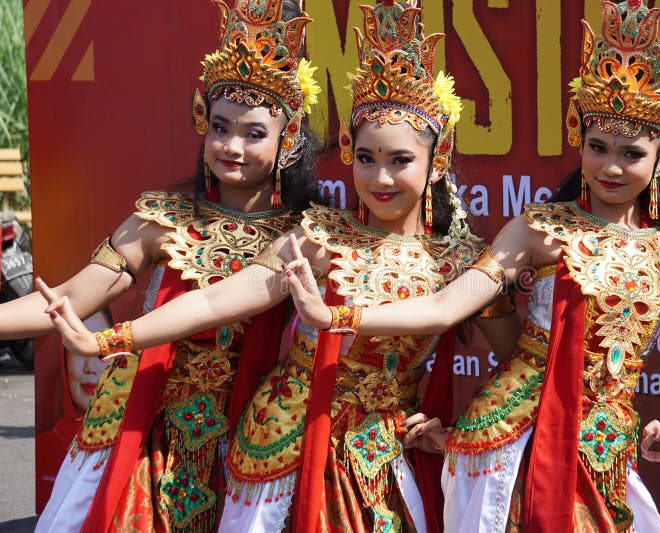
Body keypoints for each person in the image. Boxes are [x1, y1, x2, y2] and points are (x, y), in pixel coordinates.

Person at [282, 1, 660, 532]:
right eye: (597, 146)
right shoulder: (539, 230)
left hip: (603, 449)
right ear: (578, 141)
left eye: (631, 153)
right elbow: (447, 306)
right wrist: (340, 319)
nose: (610, 166)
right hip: (509, 446)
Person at [41, 2, 491, 531]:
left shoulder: (462, 260)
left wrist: (456, 432)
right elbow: (214, 299)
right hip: (281, 450)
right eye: (366, 159)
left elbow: (520, 360)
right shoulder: (320, 235)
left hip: (379, 464)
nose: (380, 179)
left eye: (400, 161)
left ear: (436, 162)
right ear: (347, 151)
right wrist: (113, 340)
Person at [20, 1, 322, 531]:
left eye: (253, 134)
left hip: (259, 437)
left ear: (287, 140)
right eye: (220, 127)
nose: (231, 146)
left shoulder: (309, 235)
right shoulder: (161, 220)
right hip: (152, 430)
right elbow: (72, 295)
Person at [35, 309, 112, 511]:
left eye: (101, 351)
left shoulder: (137, 447)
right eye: (78, 349)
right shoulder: (47, 446)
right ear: (63, 358)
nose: (90, 367)